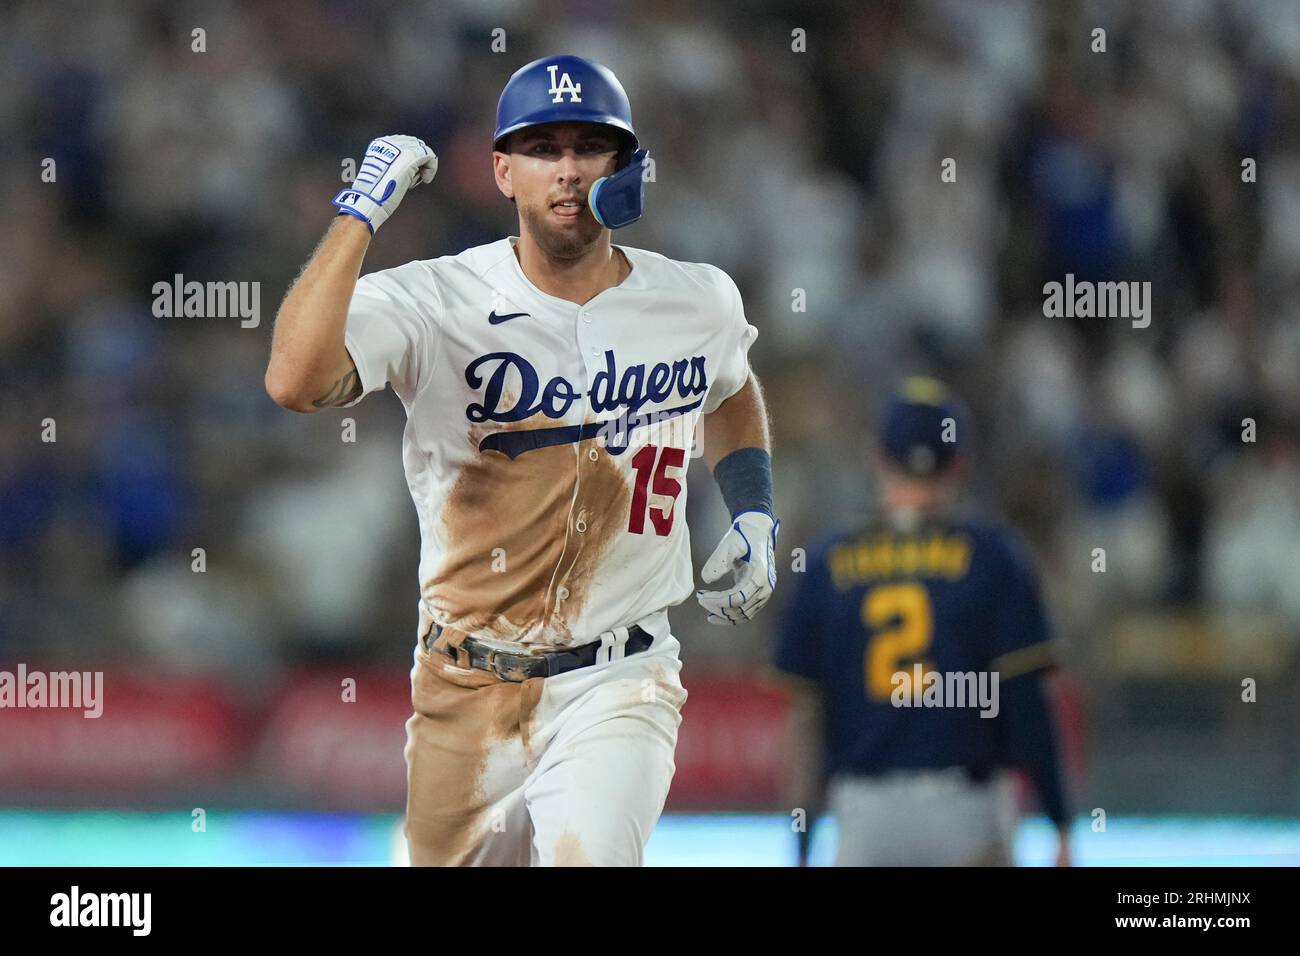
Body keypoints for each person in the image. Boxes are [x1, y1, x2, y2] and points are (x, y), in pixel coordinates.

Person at [264, 54, 780, 866]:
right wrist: (359, 212)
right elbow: (293, 380)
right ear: (503, 170)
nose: (568, 170)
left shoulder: (697, 298)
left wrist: (752, 507)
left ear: (627, 164)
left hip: (621, 676)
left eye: (589, 146)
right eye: (543, 148)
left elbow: (732, 389)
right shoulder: (435, 299)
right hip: (461, 683)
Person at [773, 377, 1070, 866]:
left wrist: (801, 847)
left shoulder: (827, 563)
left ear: (877, 458)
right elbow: (1027, 705)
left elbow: (807, 723)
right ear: (959, 465)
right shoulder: (995, 556)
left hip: (866, 816)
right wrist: (1060, 821)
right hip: (967, 812)